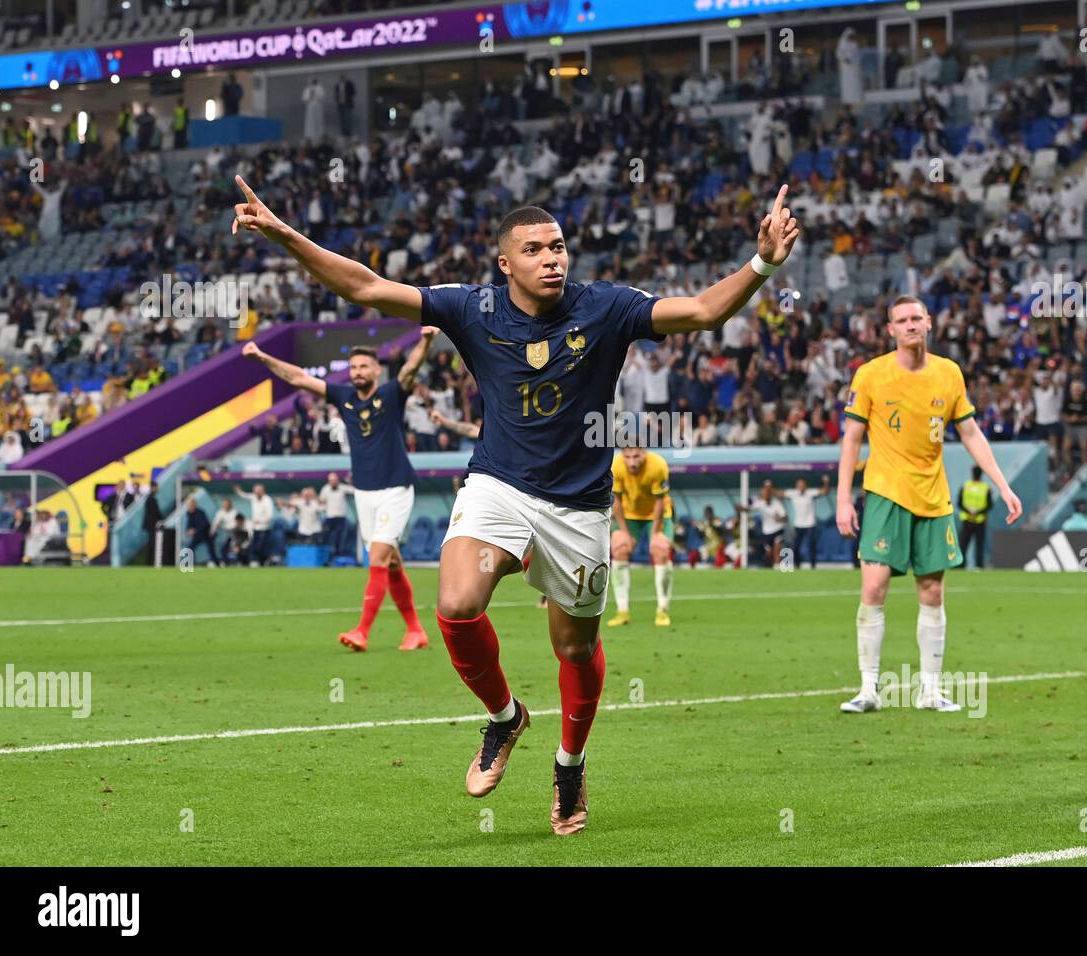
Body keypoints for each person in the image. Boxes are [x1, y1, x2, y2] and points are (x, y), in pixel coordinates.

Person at [229, 173, 799, 834]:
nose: (552, 258)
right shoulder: (473, 309)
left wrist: (762, 263)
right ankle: (505, 718)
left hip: (580, 506)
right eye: (534, 249)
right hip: (498, 481)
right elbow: (364, 286)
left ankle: (570, 763)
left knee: (575, 648)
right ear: (506, 264)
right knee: (458, 601)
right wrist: (284, 234)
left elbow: (702, 311)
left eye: (557, 246)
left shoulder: (606, 308)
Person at [835, 295, 1022, 715]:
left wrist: (1003, 485)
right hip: (884, 493)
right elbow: (851, 438)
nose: (910, 325)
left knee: (933, 591)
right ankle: (868, 689)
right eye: (901, 320)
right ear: (890, 330)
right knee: (873, 587)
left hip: (934, 496)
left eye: (916, 318)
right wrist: (844, 498)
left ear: (930, 323)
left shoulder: (949, 373)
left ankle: (930, 691)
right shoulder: (871, 375)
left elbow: (971, 433)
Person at [243, 330, 436, 651]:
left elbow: (409, 370)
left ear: (376, 370)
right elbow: (300, 378)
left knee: (376, 557)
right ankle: (415, 631)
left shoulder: (390, 394)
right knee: (391, 563)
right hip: (364, 491)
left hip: (395, 488)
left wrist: (426, 341)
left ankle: (362, 631)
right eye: (354, 367)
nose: (358, 371)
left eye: (364, 366)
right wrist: (263, 358)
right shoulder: (343, 396)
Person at [606, 445, 675, 628]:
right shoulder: (616, 465)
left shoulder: (658, 465)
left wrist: (654, 534)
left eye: (636, 456)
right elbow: (616, 501)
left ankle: (662, 610)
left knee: (660, 549)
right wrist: (626, 534)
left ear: (644, 453)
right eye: (628, 457)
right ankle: (622, 611)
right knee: (619, 547)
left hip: (658, 515)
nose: (632, 462)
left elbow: (660, 503)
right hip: (629, 516)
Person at [736, 479, 788, 567]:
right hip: (767, 532)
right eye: (765, 491)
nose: (766, 493)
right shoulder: (760, 503)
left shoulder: (777, 503)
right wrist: (740, 508)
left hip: (778, 530)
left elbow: (785, 517)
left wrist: (779, 519)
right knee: (768, 553)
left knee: (777, 548)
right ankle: (770, 567)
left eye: (768, 491)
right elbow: (748, 509)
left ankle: (777, 567)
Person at [784, 475, 830, 569]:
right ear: (796, 486)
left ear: (805, 485)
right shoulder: (793, 493)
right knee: (796, 546)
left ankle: (813, 566)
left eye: (802, 485)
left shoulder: (811, 493)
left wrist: (826, 482)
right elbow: (780, 493)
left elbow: (825, 492)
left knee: (811, 546)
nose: (801, 487)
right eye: (799, 485)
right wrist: (769, 487)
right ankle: (797, 565)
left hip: (810, 524)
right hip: (798, 525)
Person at [956, 466, 992, 568]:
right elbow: (989, 505)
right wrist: (978, 512)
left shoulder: (966, 486)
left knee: (964, 544)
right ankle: (978, 566)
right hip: (978, 520)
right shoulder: (985, 487)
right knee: (977, 545)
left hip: (968, 519)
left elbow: (959, 502)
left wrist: (969, 512)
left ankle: (960, 565)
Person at [233, 483, 275, 567]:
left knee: (262, 548)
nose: (256, 494)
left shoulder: (268, 500)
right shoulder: (253, 497)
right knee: (255, 547)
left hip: (265, 528)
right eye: (255, 492)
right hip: (256, 528)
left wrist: (259, 520)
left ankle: (265, 562)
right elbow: (244, 495)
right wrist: (238, 491)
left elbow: (270, 516)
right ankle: (256, 562)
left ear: (263, 491)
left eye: (258, 492)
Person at [319, 472, 353, 557]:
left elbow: (354, 490)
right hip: (329, 517)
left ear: (337, 480)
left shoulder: (342, 487)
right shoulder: (325, 489)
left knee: (340, 538)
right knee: (329, 538)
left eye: (334, 480)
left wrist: (349, 482)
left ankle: (339, 555)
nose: (333, 482)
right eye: (331, 480)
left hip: (341, 517)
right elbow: (321, 502)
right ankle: (329, 556)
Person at [183, 497, 218, 566]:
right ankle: (190, 565)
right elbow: (190, 523)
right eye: (189, 505)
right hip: (198, 536)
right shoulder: (188, 513)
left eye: (192, 504)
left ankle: (217, 564)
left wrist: (194, 530)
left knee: (211, 550)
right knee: (190, 548)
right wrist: (187, 530)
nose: (190, 506)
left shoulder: (200, 513)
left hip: (206, 535)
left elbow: (204, 525)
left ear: (195, 504)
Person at [211, 497, 239, 563]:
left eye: (227, 504)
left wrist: (223, 526)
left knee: (235, 549)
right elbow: (216, 522)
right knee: (223, 549)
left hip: (235, 534)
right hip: (226, 534)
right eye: (224, 504)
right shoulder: (220, 512)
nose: (226, 506)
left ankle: (238, 562)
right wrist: (212, 530)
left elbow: (235, 524)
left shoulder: (235, 512)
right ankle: (224, 562)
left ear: (230, 505)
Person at [142, 482, 162, 565]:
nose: (158, 489)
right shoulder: (151, 499)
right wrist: (162, 519)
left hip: (150, 525)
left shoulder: (149, 498)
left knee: (151, 544)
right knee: (152, 544)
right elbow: (155, 513)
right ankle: (150, 562)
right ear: (153, 487)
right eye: (156, 487)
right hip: (152, 525)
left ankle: (149, 562)